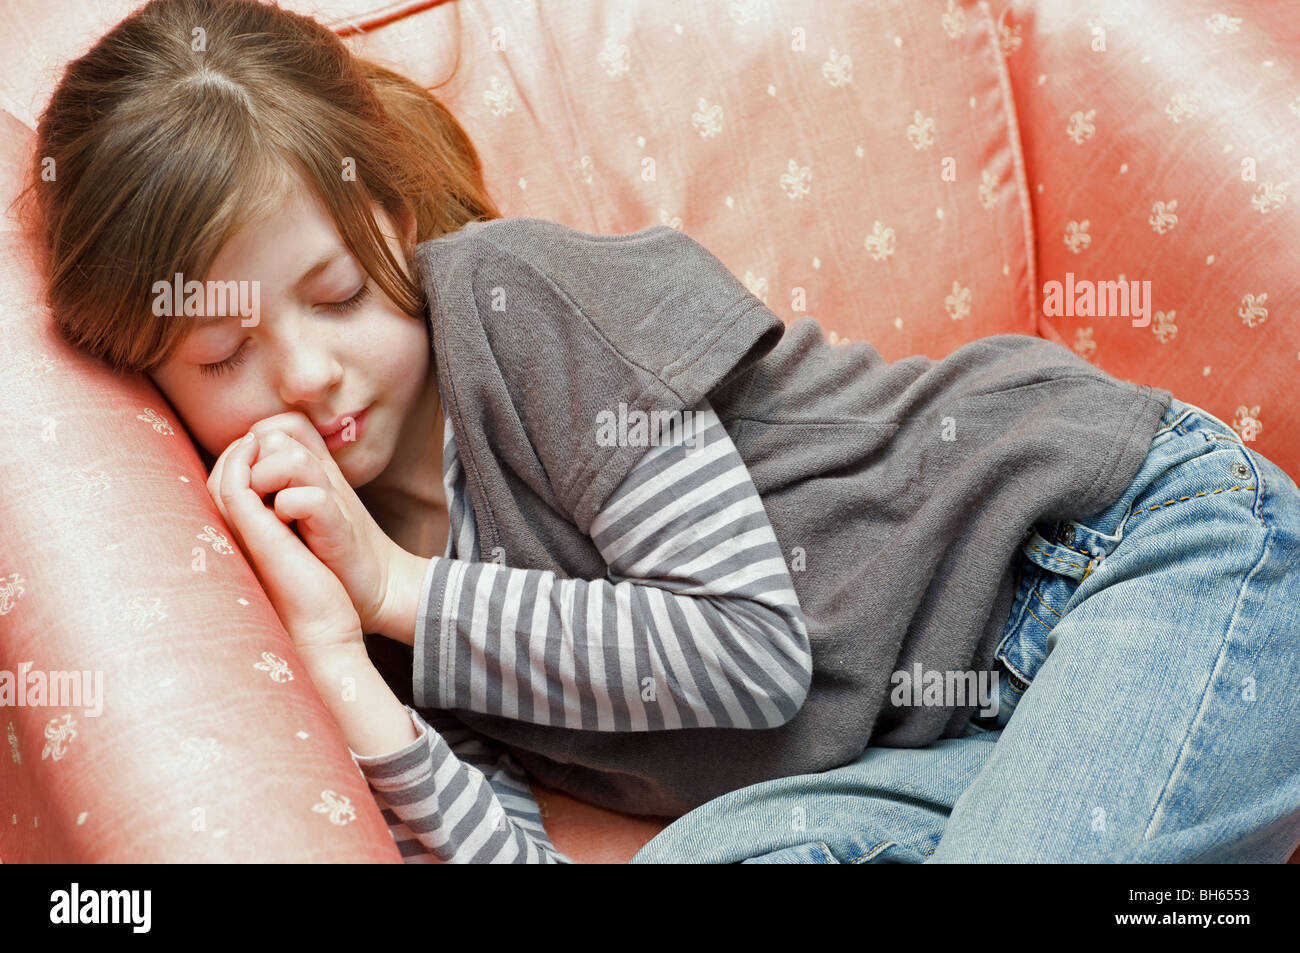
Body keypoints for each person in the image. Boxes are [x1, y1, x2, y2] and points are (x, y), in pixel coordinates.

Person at [19, 0, 1300, 865]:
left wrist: (401, 589)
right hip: (953, 737)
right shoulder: (345, 584)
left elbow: (751, 652)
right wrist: (345, 662)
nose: (303, 369)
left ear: (395, 225)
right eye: (222, 353)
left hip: (1128, 552)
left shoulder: (522, 304)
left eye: (336, 294)